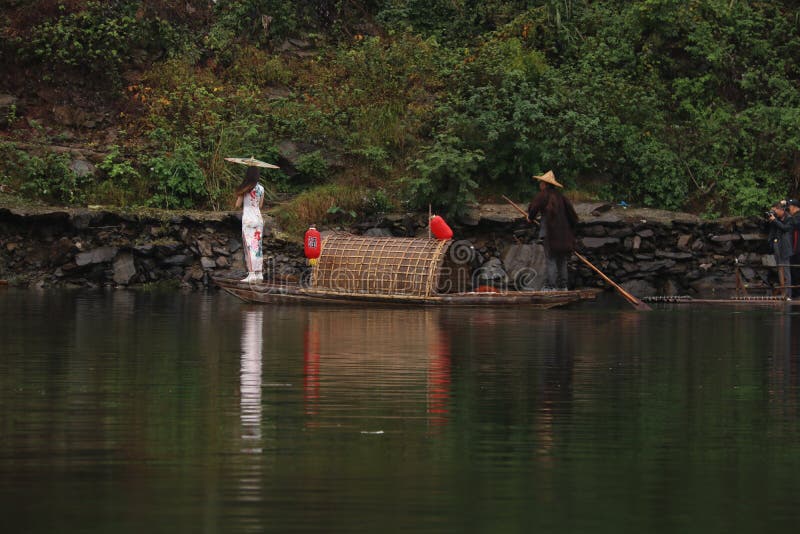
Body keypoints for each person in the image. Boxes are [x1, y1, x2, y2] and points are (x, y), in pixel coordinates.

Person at [527, 170, 579, 290]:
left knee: (551, 259)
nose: (540, 184)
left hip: (550, 233)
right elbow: (573, 217)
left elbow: (533, 209)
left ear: (545, 184)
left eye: (541, 182)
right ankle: (563, 286)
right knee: (562, 260)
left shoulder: (543, 195)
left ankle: (551, 287)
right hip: (564, 234)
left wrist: (530, 217)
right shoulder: (562, 197)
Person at [235, 166, 266, 282]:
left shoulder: (245, 187)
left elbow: (237, 205)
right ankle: (259, 274)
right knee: (257, 246)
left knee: (249, 246)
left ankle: (251, 274)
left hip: (248, 219)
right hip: (258, 218)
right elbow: (260, 205)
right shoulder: (261, 188)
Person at [767, 201, 794, 299]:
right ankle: (783, 293)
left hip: (785, 247)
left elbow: (785, 228)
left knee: (786, 270)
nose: (774, 212)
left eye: (775, 210)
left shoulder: (789, 218)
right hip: (776, 244)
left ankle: (788, 294)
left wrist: (775, 221)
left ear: (781, 209)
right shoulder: (776, 218)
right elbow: (771, 230)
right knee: (780, 269)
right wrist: (770, 220)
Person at [786, 199, 800, 297]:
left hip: (797, 249)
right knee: (794, 271)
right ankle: (795, 292)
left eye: (790, 206)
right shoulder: (794, 217)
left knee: (796, 271)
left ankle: (797, 293)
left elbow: (795, 224)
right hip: (794, 249)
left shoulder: (797, 217)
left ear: (794, 207)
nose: (788, 209)